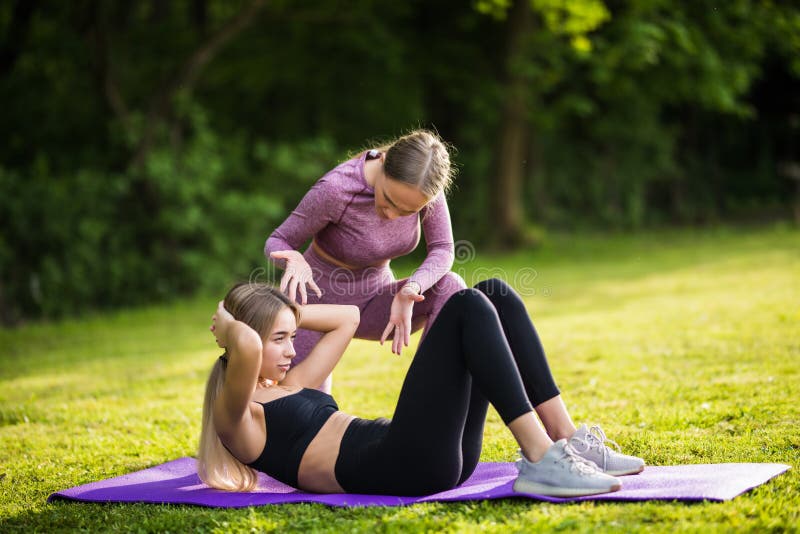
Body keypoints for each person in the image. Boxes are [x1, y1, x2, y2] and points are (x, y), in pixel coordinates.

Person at [199, 278, 645, 497]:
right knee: (466, 304)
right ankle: (540, 456)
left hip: (436, 457)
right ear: (244, 342)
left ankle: (565, 440)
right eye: (279, 340)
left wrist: (283, 313)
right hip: (403, 463)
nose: (291, 351)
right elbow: (247, 346)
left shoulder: (292, 384)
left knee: (494, 292)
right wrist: (232, 325)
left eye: (291, 338)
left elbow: (348, 319)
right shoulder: (238, 416)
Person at [264, 130, 467, 393]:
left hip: (374, 303)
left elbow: (443, 249)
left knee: (452, 287)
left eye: (408, 212)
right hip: (314, 304)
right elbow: (278, 240)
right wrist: (294, 260)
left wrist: (411, 288)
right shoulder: (336, 189)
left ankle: (428, 397)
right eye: (389, 200)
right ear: (382, 161)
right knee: (302, 406)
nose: (393, 215)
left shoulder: (424, 189)